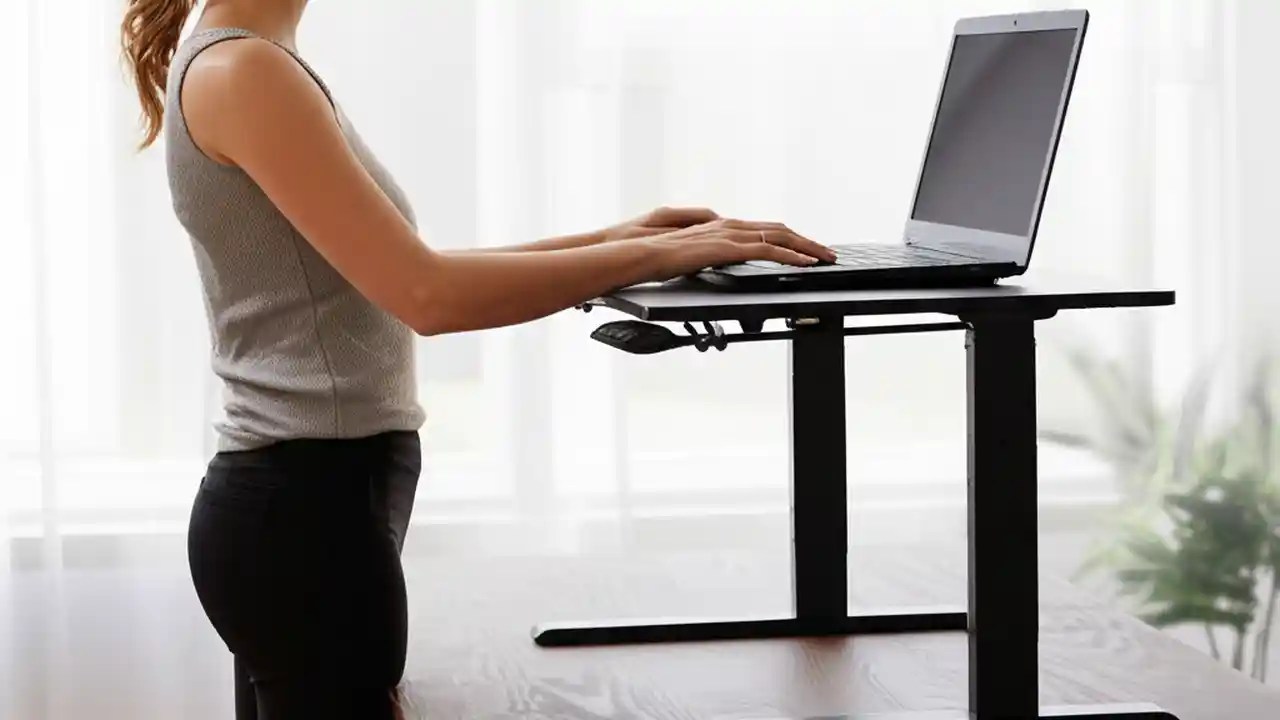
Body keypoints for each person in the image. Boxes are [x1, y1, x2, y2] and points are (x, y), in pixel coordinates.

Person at [119, 0, 834, 717]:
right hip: (304, 515)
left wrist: (620, 240)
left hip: (307, 507)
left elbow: (403, 271)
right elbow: (428, 296)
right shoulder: (245, 70)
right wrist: (653, 254)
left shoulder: (249, 61)